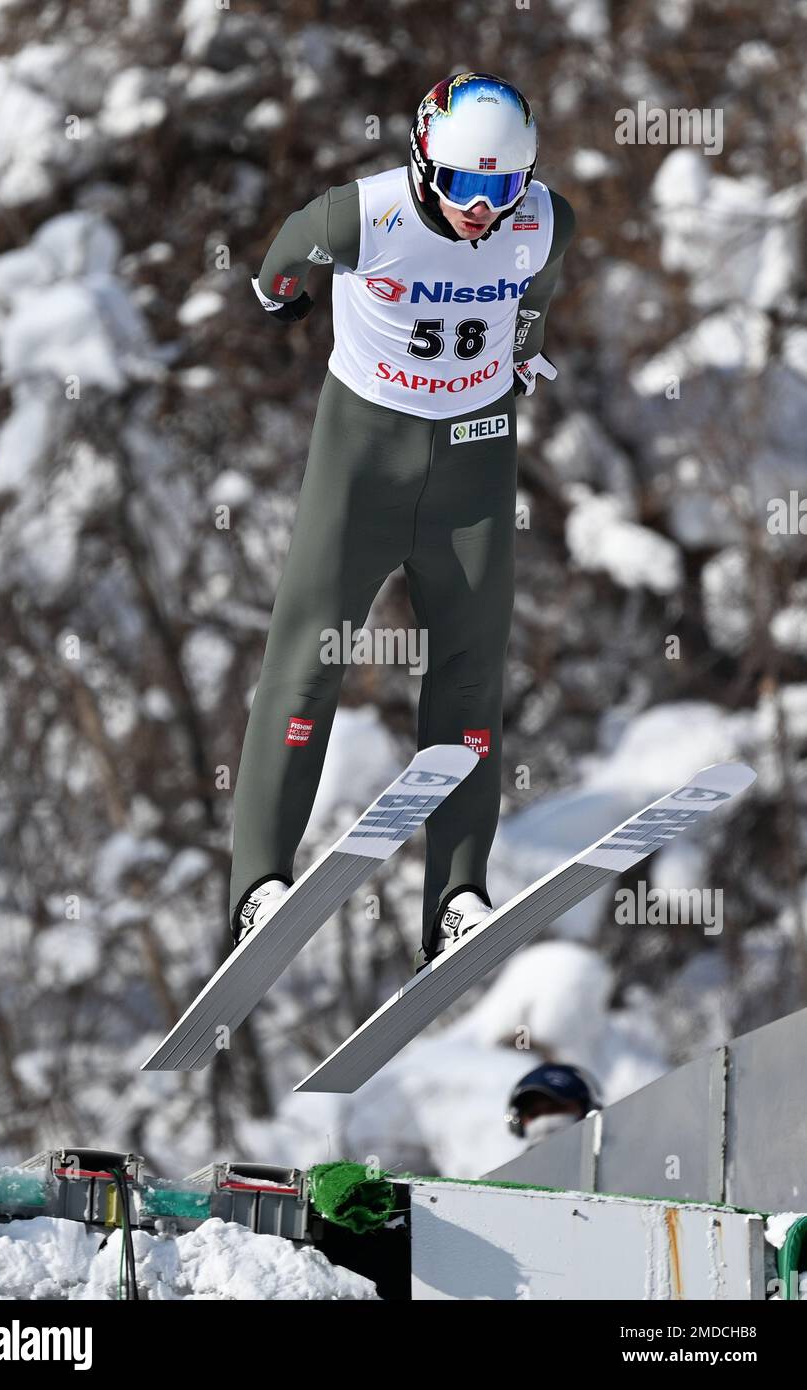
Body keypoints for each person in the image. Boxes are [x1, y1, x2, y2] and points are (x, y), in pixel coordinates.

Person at [231, 71, 575, 969]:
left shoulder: (543, 221)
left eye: (503, 188)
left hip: (474, 463)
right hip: (363, 464)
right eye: (465, 185)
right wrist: (284, 297)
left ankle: (458, 896)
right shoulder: (364, 216)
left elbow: (535, 290)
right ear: (424, 159)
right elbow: (281, 262)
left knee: (469, 679)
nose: (482, 209)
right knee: (307, 662)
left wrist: (522, 348)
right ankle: (260, 886)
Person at [505, 1063, 602, 1146]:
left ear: (588, 1109)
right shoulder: (518, 1168)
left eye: (556, 1108)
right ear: (518, 1125)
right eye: (533, 1114)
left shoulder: (611, 1158)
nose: (544, 1120)